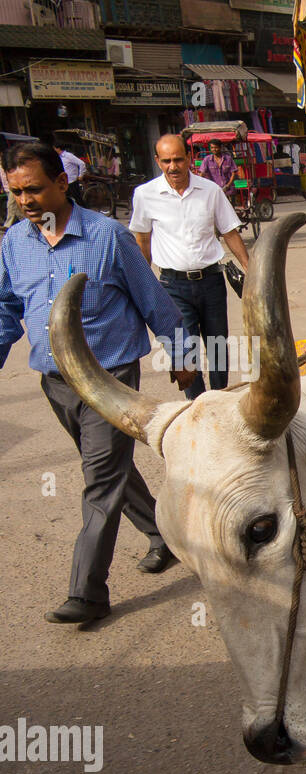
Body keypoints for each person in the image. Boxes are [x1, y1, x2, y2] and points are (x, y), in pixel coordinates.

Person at [0, 142, 183, 623]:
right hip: (56, 383)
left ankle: (87, 592)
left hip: (111, 377)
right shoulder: (14, 243)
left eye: (34, 189)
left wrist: (182, 356)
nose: (25, 201)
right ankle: (164, 534)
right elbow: (5, 309)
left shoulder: (108, 237)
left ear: (63, 183)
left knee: (99, 480)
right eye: (16, 192)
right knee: (109, 469)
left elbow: (154, 301)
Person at [129, 134, 250, 401]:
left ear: (189, 159)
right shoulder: (145, 195)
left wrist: (250, 269)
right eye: (167, 161)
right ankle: (196, 405)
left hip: (211, 281)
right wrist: (141, 284)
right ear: (157, 161)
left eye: (178, 159)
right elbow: (143, 240)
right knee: (185, 349)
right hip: (173, 286)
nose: (173, 167)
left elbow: (229, 231)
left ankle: (221, 398)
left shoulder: (211, 191)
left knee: (218, 345)